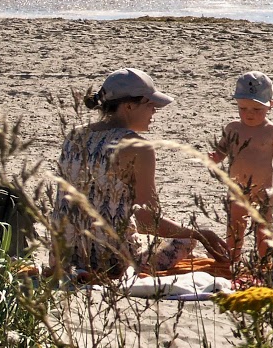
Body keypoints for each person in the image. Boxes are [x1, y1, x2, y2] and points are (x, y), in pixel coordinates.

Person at [53, 68, 229, 278]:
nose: (155, 111)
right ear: (128, 106)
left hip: (63, 256)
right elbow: (147, 221)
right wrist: (201, 235)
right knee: (186, 239)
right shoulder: (138, 147)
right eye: (150, 105)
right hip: (111, 261)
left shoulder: (75, 134)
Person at [210, 71, 273, 265]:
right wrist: (216, 157)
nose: (249, 113)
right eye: (243, 108)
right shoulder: (233, 128)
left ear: (270, 105)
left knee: (263, 230)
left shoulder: (272, 131)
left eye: (257, 109)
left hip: (263, 191)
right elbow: (222, 149)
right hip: (237, 190)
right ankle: (232, 262)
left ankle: (264, 263)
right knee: (235, 227)